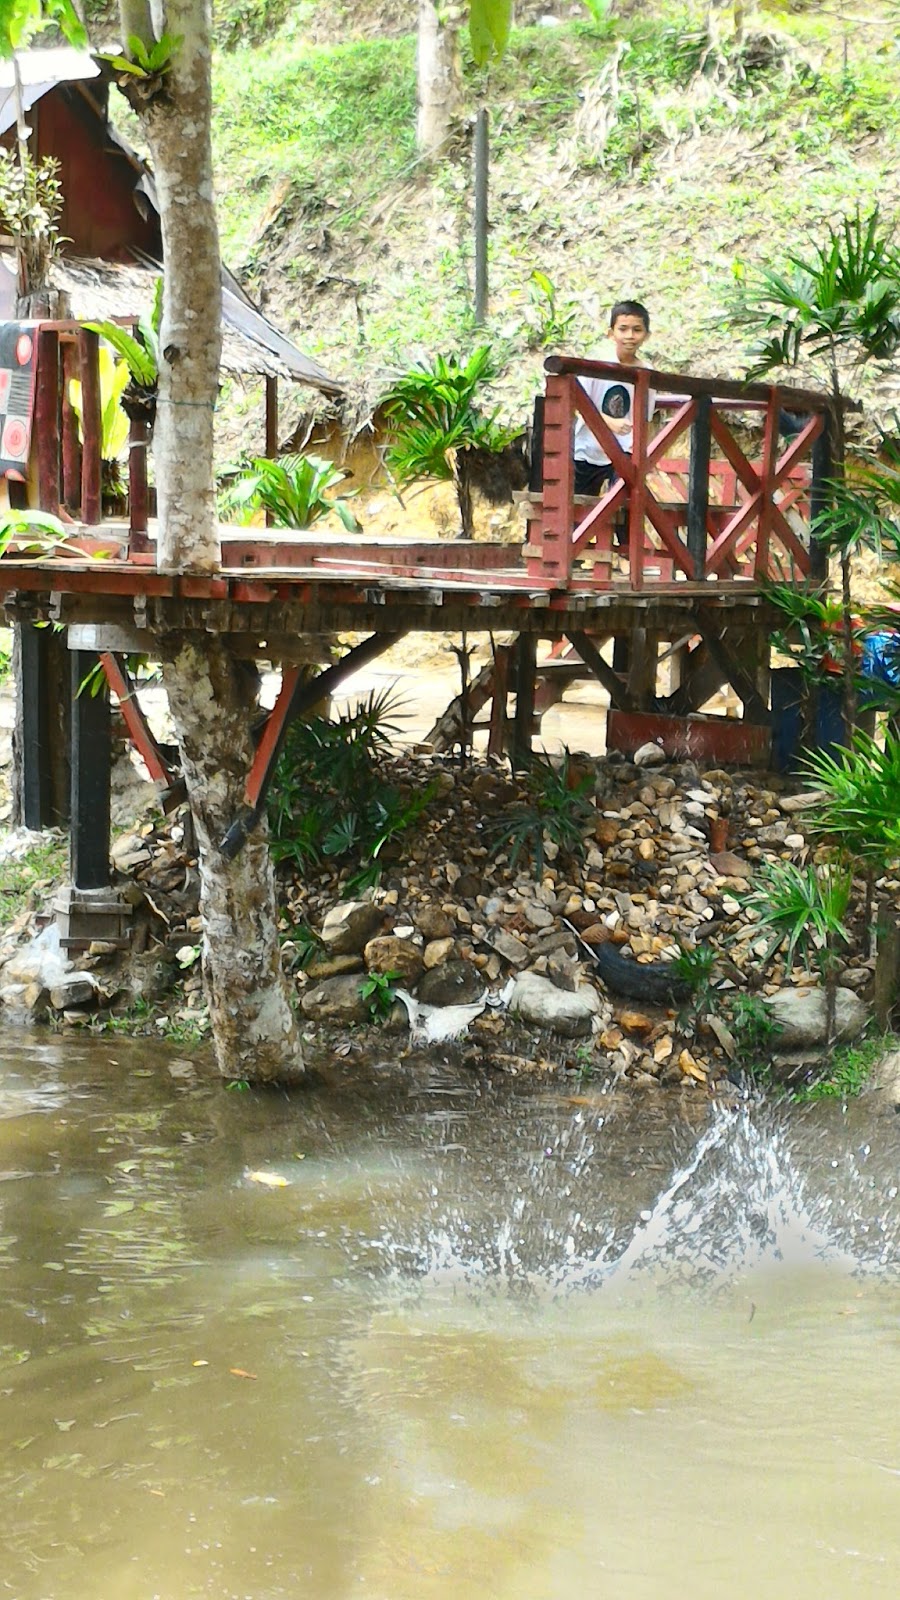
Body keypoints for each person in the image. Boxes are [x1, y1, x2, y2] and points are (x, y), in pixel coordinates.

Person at [572, 299, 655, 498]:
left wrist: (645, 451)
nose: (630, 336)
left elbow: (646, 417)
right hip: (587, 448)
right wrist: (608, 422)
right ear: (611, 333)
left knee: (624, 503)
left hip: (625, 450)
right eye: (623, 329)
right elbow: (576, 402)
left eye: (637, 330)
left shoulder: (646, 371)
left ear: (646, 335)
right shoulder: (595, 364)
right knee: (579, 506)